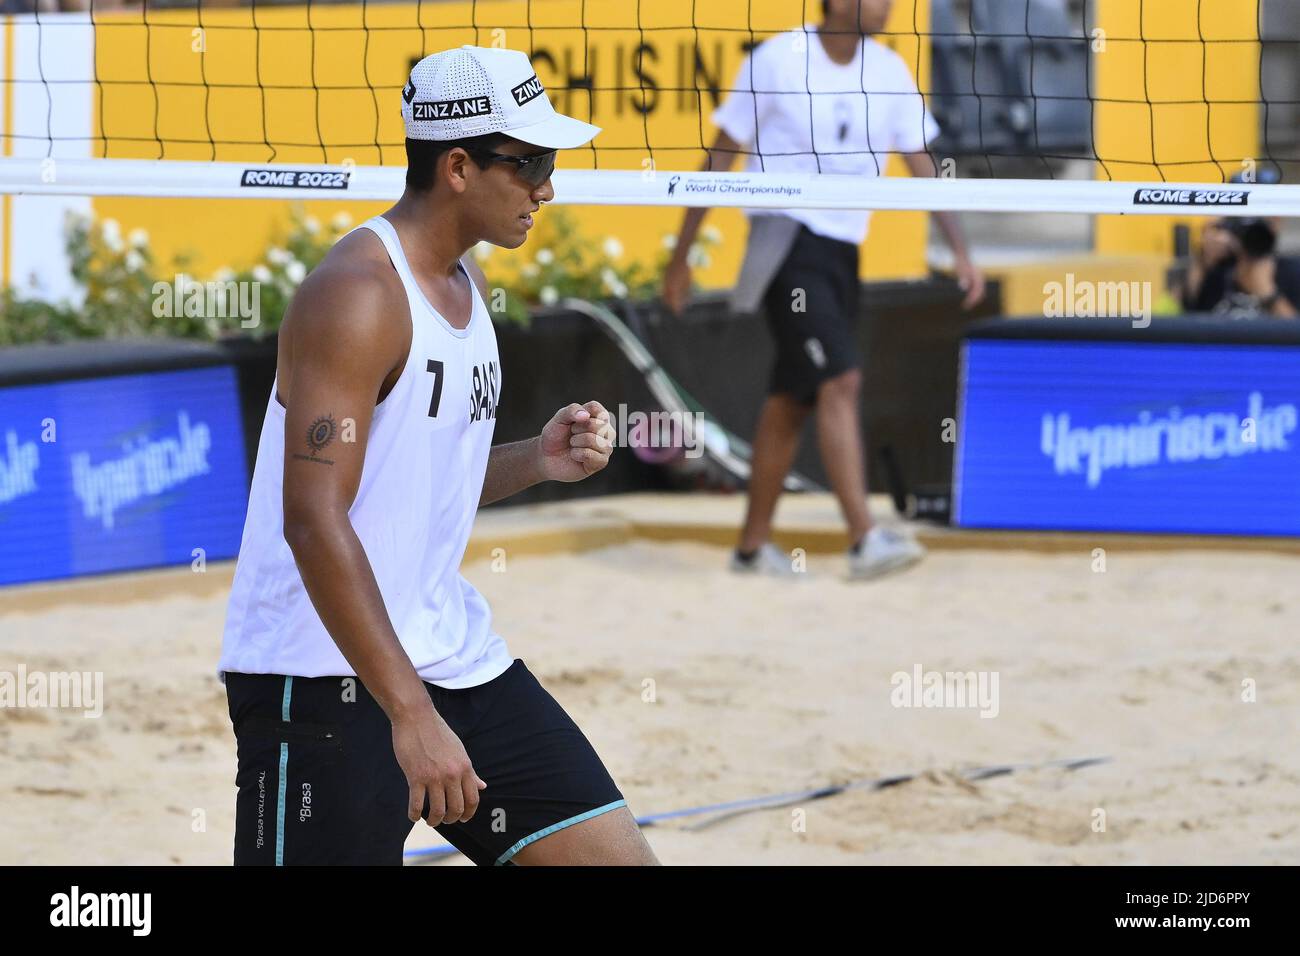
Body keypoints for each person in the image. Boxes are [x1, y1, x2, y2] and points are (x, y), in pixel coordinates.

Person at [218, 45, 658, 866]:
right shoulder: (356, 295)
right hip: (323, 679)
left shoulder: (466, 283)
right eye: (529, 163)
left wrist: (537, 459)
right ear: (458, 165)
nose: (547, 187)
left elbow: (416, 483)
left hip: (450, 657)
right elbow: (313, 520)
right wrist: (410, 715)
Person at [663, 0, 985, 580]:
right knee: (840, 378)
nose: (887, 6)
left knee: (794, 398)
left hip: (841, 250)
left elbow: (921, 162)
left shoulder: (888, 72)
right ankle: (863, 538)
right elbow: (721, 152)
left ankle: (749, 549)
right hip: (786, 238)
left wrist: (960, 252)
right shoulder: (777, 59)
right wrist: (681, 256)